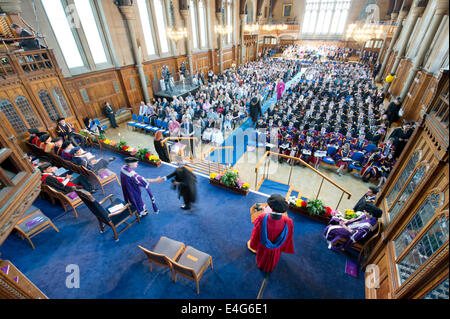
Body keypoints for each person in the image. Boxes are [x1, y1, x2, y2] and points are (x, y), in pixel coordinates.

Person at [248, 194, 295, 273]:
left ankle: (260, 265)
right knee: (274, 258)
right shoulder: (288, 221)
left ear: (271, 208)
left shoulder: (262, 217)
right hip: (276, 249)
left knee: (261, 258)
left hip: (263, 248)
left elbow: (256, 234)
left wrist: (253, 244)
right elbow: (288, 237)